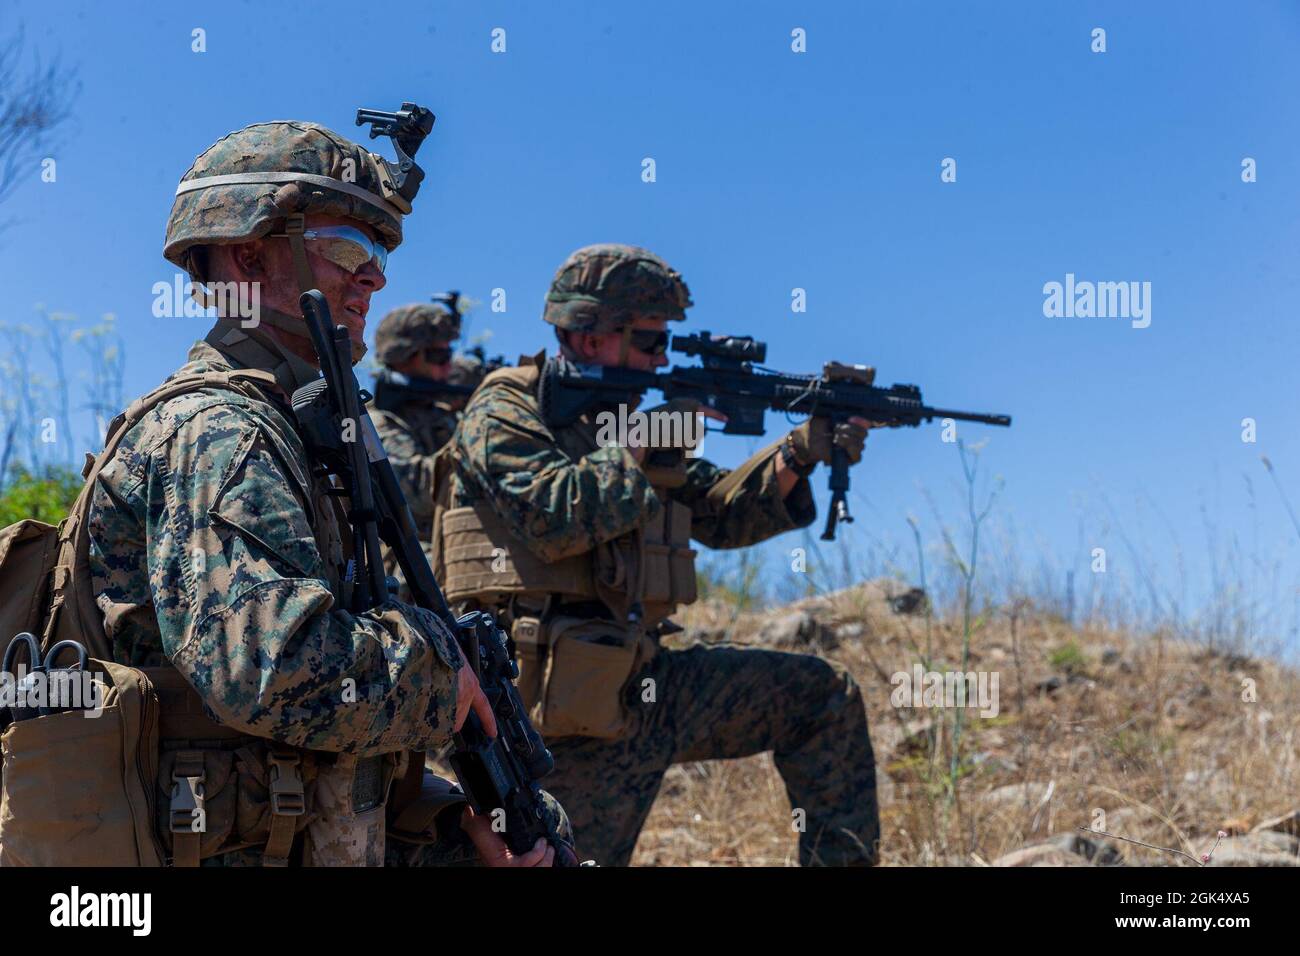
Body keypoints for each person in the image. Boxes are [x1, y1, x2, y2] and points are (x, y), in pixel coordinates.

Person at [78, 116, 560, 866]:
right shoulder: (221, 430)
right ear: (246, 256)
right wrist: (441, 671)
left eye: (378, 255)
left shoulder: (299, 428)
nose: (375, 277)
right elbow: (268, 668)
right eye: (350, 249)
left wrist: (459, 818)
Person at [435, 243, 880, 866]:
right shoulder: (506, 406)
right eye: (649, 342)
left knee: (822, 698)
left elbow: (722, 515)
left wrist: (799, 453)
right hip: (550, 711)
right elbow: (553, 518)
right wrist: (643, 441)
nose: (661, 359)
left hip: (643, 684)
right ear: (590, 338)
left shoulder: (622, 419)